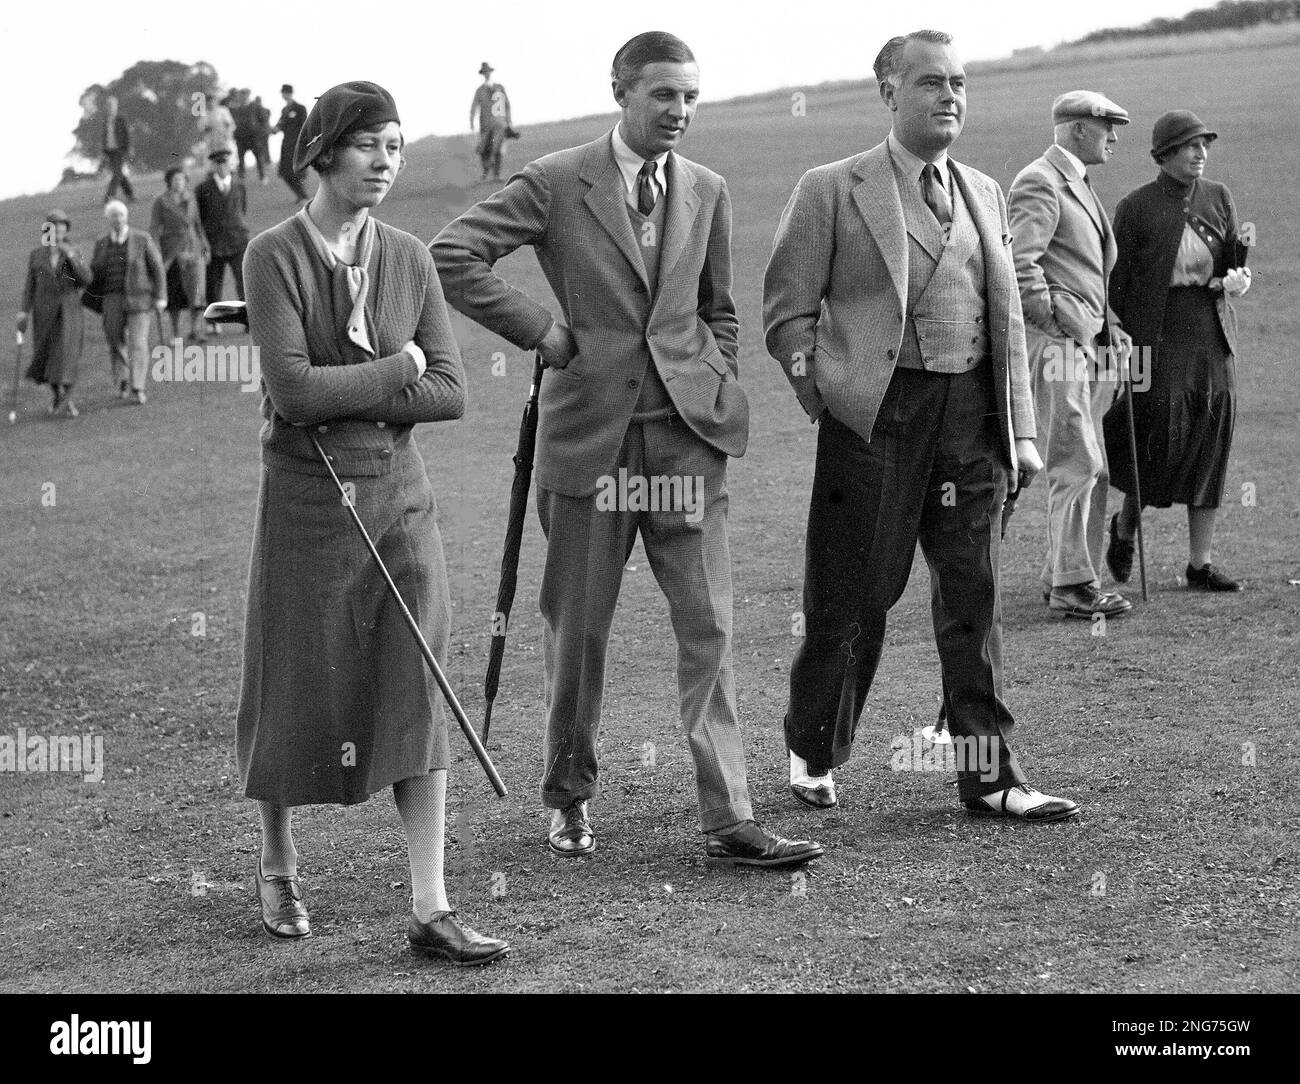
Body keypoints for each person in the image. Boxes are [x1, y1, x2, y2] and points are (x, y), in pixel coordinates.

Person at [433, 31, 823, 869]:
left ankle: (730, 819)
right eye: (663, 95)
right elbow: (452, 255)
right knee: (580, 631)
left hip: (687, 443)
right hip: (590, 447)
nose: (680, 111)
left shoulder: (709, 190)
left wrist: (712, 371)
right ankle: (568, 798)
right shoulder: (555, 179)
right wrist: (540, 330)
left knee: (710, 627)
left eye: (690, 95)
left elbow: (719, 309)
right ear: (621, 91)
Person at [763, 29, 1079, 822]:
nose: (950, 97)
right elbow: (786, 314)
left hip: (971, 416)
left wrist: (1023, 432)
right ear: (888, 91)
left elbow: (1004, 315)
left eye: (960, 83)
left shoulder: (985, 191)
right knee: (856, 594)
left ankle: (991, 776)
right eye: (932, 82)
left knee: (973, 591)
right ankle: (815, 746)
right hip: (876, 419)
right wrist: (827, 396)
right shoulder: (831, 188)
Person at [237, 80, 507, 964]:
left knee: (416, 687)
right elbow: (294, 392)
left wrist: (368, 390)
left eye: (396, 147)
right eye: (368, 146)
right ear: (321, 152)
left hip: (400, 501)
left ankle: (430, 905)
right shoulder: (271, 256)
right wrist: (399, 369)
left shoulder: (410, 256)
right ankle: (278, 864)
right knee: (293, 682)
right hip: (308, 504)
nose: (386, 163)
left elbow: (455, 394)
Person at [1105, 111, 1250, 592]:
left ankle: (1199, 564)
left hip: (1211, 333)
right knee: (1156, 438)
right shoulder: (1135, 207)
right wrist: (1118, 340)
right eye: (1189, 146)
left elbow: (1231, 257)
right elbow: (1117, 284)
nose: (1200, 153)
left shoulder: (1219, 196)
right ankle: (1124, 527)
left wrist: (1238, 278)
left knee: (1211, 437)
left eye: (1204, 144)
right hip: (1155, 339)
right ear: (1164, 155)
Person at [1008, 91, 1134, 618]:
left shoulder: (1077, 181)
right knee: (1075, 459)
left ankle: (1061, 573)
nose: (1115, 136)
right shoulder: (1040, 180)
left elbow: (1084, 272)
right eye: (1107, 126)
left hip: (1081, 344)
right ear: (1078, 129)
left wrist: (1110, 327)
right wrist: (1058, 320)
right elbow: (1019, 264)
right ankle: (1073, 586)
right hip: (1055, 347)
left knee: (1082, 460)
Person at [89, 200, 165, 405]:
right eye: (113, 216)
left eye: (121, 215)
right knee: (114, 340)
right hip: (111, 299)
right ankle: (122, 380)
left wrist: (161, 297)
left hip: (139, 299)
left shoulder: (142, 239)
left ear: (126, 216)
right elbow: (94, 270)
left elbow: (157, 268)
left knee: (138, 343)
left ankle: (137, 386)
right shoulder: (101, 242)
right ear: (108, 219)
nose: (117, 219)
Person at [17, 210, 92, 417]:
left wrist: (71, 257)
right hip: (44, 311)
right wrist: (23, 311)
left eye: (62, 227)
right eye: (53, 227)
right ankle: (58, 395)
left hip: (69, 312)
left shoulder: (74, 250)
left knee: (66, 357)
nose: (58, 231)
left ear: (66, 230)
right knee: (47, 357)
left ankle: (67, 401)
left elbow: (87, 279)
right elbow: (29, 287)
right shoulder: (36, 255)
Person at [151, 167, 209, 341]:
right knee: (175, 294)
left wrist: (205, 245)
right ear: (169, 182)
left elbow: (197, 224)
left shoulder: (191, 198)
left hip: (193, 248)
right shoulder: (161, 202)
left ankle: (196, 330)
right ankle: (176, 333)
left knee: (197, 291)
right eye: (176, 180)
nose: (179, 183)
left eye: (182, 180)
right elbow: (154, 228)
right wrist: (156, 252)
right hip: (172, 251)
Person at [195, 148, 250, 314]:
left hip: (238, 240)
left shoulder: (239, 185)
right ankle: (214, 320)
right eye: (217, 163)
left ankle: (246, 317)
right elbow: (201, 217)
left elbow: (242, 210)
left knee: (243, 281)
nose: (221, 167)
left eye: (224, 163)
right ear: (213, 166)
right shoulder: (203, 189)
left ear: (229, 164)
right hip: (214, 242)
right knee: (213, 283)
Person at [469, 62, 511, 183]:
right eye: (485, 72)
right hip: (486, 125)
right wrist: (471, 120)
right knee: (483, 149)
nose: (486, 73)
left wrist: (508, 120)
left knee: (498, 149)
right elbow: (474, 106)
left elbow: (507, 105)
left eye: (488, 71)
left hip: (499, 124)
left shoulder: (499, 87)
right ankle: (486, 172)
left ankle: (496, 175)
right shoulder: (480, 90)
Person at [272, 84, 310, 203]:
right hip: (286, 144)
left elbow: (305, 126)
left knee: (296, 171)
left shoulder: (300, 108)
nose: (283, 95)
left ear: (289, 93)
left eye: (284, 92)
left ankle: (304, 196)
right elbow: (280, 125)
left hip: (297, 144)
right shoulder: (284, 110)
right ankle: (301, 195)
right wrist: (273, 129)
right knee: (284, 172)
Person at [100, 95, 134, 204]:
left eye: (112, 105)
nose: (110, 107)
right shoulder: (106, 121)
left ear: (116, 106)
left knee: (117, 174)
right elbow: (105, 137)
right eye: (108, 105)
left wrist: (129, 148)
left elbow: (127, 134)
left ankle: (109, 196)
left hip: (120, 150)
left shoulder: (121, 119)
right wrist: (104, 151)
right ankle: (130, 195)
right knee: (119, 174)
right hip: (110, 151)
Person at [250, 94, 273, 186]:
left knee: (265, 148)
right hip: (259, 134)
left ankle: (267, 161)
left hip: (263, 133)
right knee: (261, 150)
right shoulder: (257, 111)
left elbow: (265, 121)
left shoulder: (265, 110)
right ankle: (266, 162)